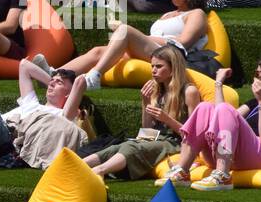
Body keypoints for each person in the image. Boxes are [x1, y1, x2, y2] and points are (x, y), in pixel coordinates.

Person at [65, 0, 210, 88]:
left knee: (125, 31)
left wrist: (141, 37)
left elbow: (182, 43)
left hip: (175, 57)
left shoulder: (196, 14)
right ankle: (58, 74)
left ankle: (95, 76)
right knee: (98, 51)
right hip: (156, 51)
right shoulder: (168, 14)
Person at [85, 45, 199, 182]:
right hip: (156, 138)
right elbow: (147, 130)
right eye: (152, 66)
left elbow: (193, 135)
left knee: (130, 147)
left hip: (177, 143)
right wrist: (145, 102)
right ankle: (77, 166)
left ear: (173, 68)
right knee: (117, 147)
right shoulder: (157, 90)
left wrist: (167, 119)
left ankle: (98, 171)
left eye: (159, 66)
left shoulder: (189, 92)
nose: (153, 71)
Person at [159, 64, 261, 192]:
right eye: (255, 73)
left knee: (225, 108)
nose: (255, 78)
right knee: (205, 107)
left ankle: (223, 176)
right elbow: (222, 116)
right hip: (237, 155)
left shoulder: (260, 102)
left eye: (259, 74)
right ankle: (182, 171)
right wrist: (218, 84)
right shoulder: (253, 102)